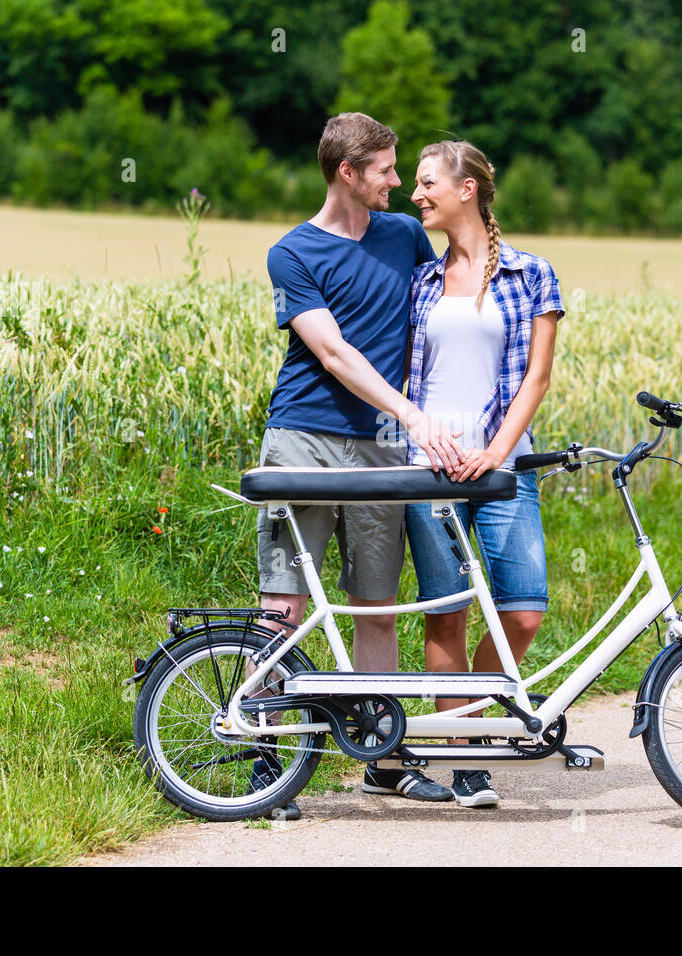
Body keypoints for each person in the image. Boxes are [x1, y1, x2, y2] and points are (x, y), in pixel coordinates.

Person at [252, 113, 466, 818]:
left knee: (378, 606)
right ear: (348, 172)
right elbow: (334, 353)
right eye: (386, 170)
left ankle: (382, 756)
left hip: (379, 451)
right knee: (284, 604)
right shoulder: (293, 253)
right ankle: (266, 758)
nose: (399, 183)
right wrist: (413, 415)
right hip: (303, 441)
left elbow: (463, 269)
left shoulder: (403, 237)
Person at [404, 140, 565, 808]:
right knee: (447, 616)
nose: (416, 195)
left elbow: (538, 376)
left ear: (466, 189)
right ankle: (467, 757)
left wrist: (498, 449)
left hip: (503, 465)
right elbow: (406, 380)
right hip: (428, 472)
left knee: (522, 611)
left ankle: (475, 722)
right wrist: (418, 432)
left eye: (427, 182)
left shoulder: (531, 274)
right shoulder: (422, 279)